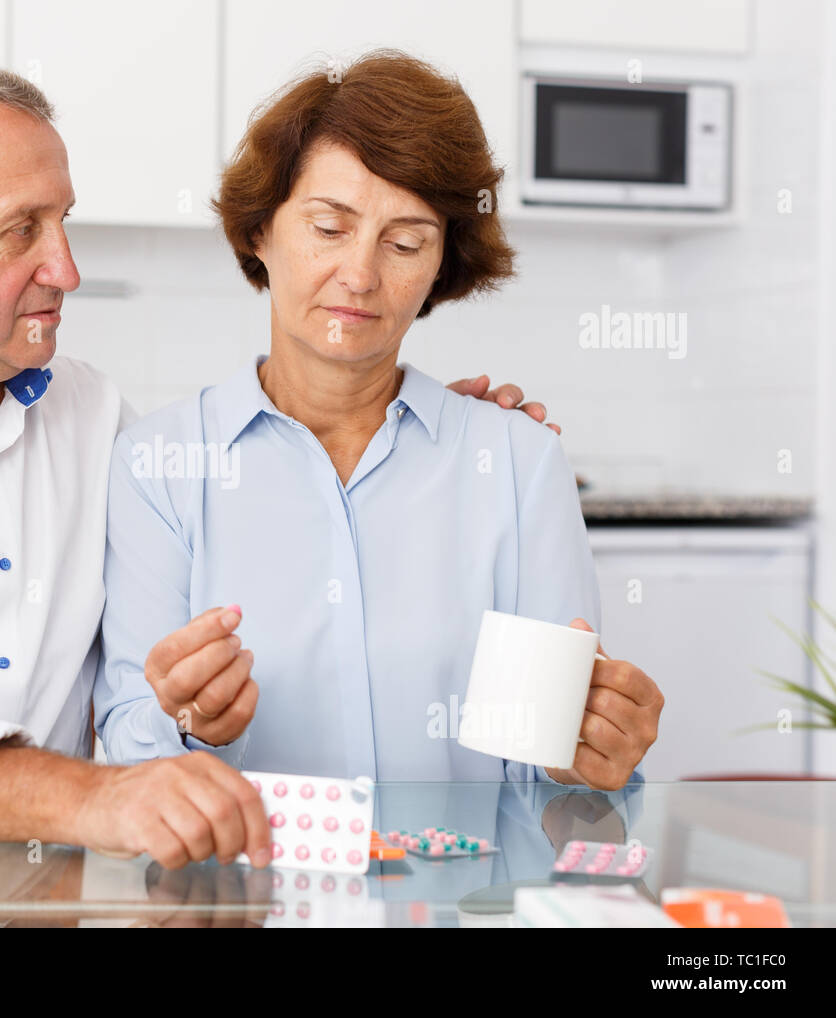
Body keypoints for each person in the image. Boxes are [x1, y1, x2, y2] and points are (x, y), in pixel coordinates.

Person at [0, 57, 562, 871]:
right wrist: (96, 795)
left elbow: (146, 681)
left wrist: (449, 438)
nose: (68, 267)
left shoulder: (93, 419)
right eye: (22, 230)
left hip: (55, 896)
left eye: (64, 222)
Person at [96, 51, 663, 789]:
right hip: (236, 901)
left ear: (441, 268)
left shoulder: (516, 462)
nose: (360, 275)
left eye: (404, 243)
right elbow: (125, 749)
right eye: (330, 227)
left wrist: (592, 758)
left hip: (458, 901)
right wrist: (185, 724)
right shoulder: (158, 467)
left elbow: (545, 774)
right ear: (261, 233)